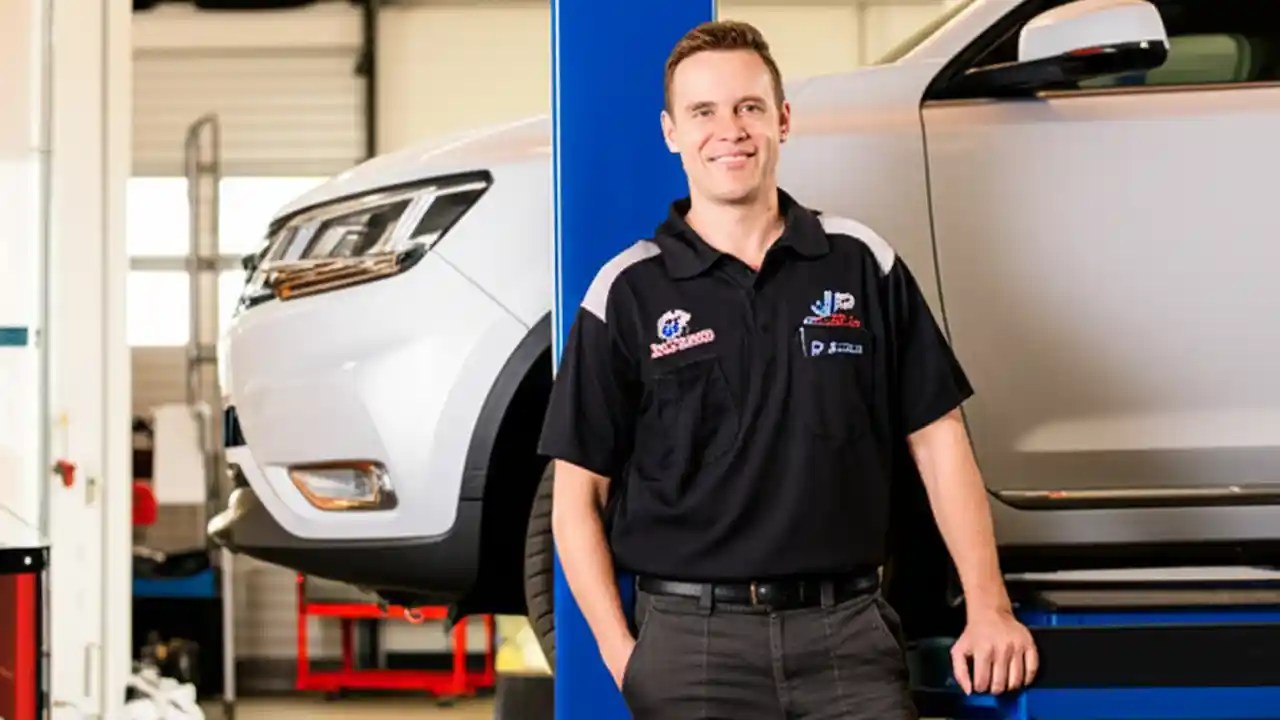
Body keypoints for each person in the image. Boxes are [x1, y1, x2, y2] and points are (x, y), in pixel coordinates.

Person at [537, 19, 1038, 719]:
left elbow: (940, 440)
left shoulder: (861, 263)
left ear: (783, 119)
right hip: (691, 648)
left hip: (848, 639)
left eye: (749, 106)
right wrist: (625, 655)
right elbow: (576, 498)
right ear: (671, 132)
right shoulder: (626, 292)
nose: (730, 130)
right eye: (703, 112)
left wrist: (989, 608)